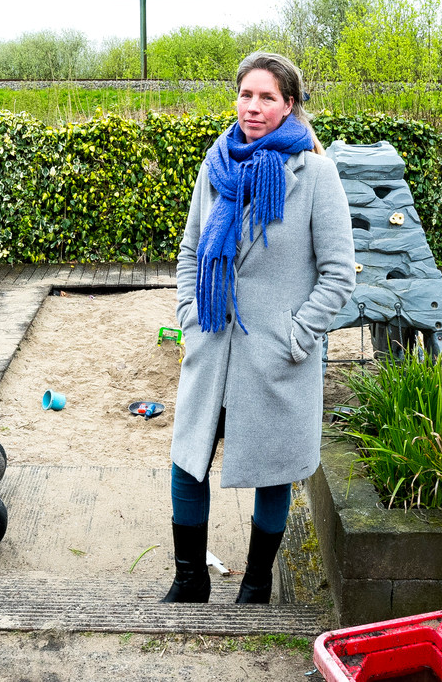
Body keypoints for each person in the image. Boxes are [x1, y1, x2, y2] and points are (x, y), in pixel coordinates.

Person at [164, 51, 356, 604]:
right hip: (211, 345)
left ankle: (256, 583)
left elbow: (340, 273)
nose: (253, 106)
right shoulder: (215, 164)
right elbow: (190, 249)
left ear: (289, 104)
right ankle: (189, 581)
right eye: (246, 94)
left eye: (267, 97)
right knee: (188, 462)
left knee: (275, 471)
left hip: (276, 356)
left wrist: (297, 336)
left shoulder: (315, 174)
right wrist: (189, 317)